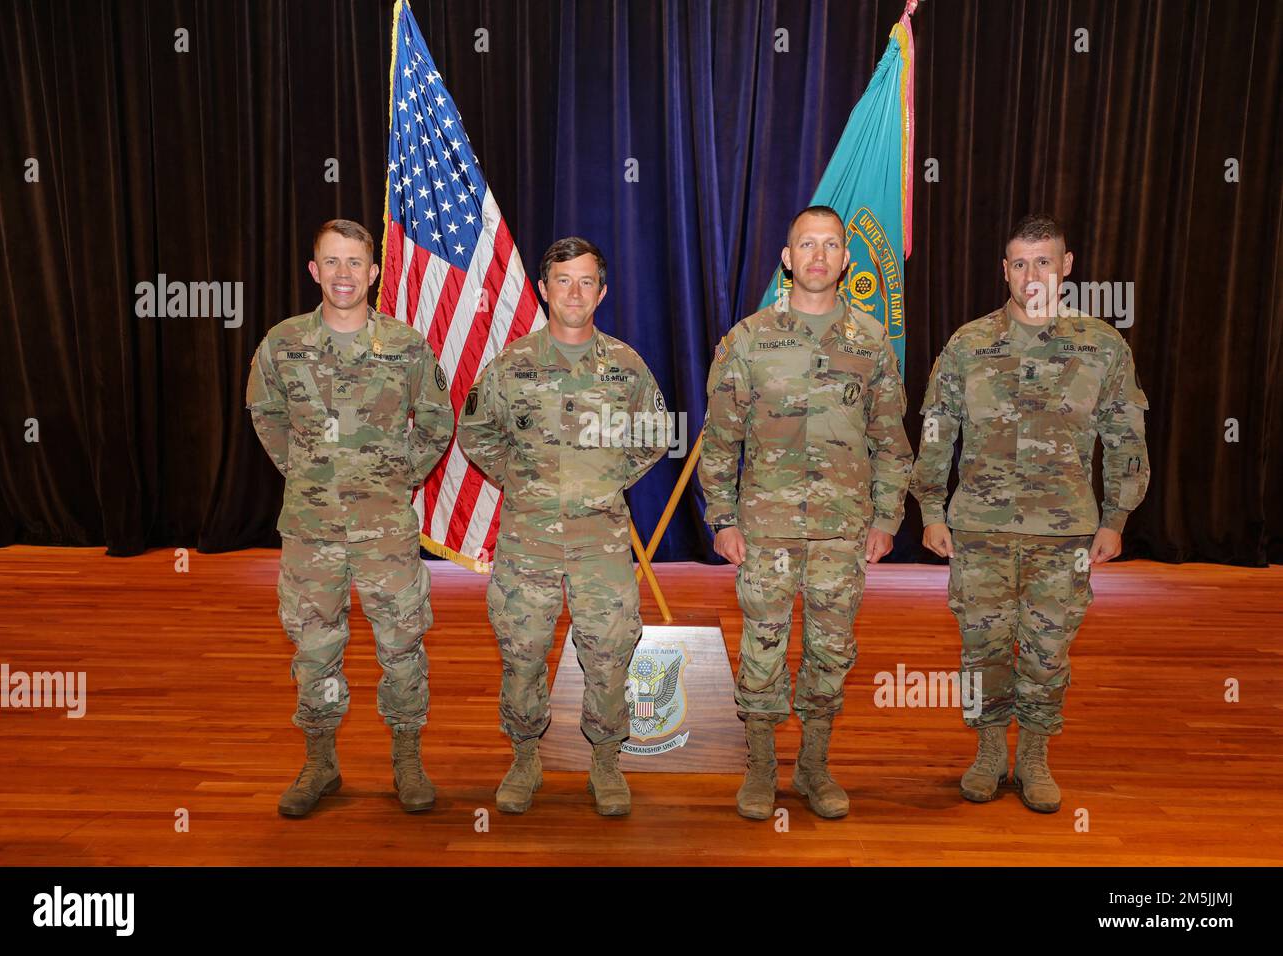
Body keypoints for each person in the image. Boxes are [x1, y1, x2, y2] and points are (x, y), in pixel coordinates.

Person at [910, 213, 1150, 812]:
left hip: (1064, 533)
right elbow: (938, 430)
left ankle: (1035, 757)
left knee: (1047, 652)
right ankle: (990, 753)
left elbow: (1126, 438)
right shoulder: (969, 344)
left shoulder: (1101, 346)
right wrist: (931, 510)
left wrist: (1116, 518)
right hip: (979, 531)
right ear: (1006, 272)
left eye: (1044, 260)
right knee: (983, 648)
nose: (1031, 273)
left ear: (1066, 266)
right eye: (1019, 262)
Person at [699, 205, 913, 820]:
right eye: (805, 245)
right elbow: (719, 439)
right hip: (764, 530)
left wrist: (886, 518)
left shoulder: (871, 342)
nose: (818, 257)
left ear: (846, 260)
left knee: (831, 650)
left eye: (830, 246)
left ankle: (815, 766)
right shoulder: (748, 340)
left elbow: (890, 439)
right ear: (787, 259)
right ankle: (762, 767)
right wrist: (723, 518)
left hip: (843, 533)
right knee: (762, 649)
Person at [246, 218, 454, 817]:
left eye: (355, 263)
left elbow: (437, 420)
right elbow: (266, 414)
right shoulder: (282, 344)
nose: (343, 274)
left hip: (385, 530)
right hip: (311, 532)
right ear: (315, 271)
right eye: (331, 262)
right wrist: (307, 472)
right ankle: (320, 762)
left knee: (402, 645)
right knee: (315, 649)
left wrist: (395, 478)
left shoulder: (406, 345)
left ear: (373, 272)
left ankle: (407, 761)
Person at [457, 237, 669, 816]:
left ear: (601, 292)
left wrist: (603, 482)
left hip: (601, 544)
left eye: (585, 282)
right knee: (523, 654)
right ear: (544, 290)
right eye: (562, 281)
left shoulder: (626, 367)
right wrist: (523, 482)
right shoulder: (511, 366)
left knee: (608, 655)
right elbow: (476, 433)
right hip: (528, 545)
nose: (573, 293)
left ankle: (605, 761)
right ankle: (525, 757)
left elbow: (655, 435)